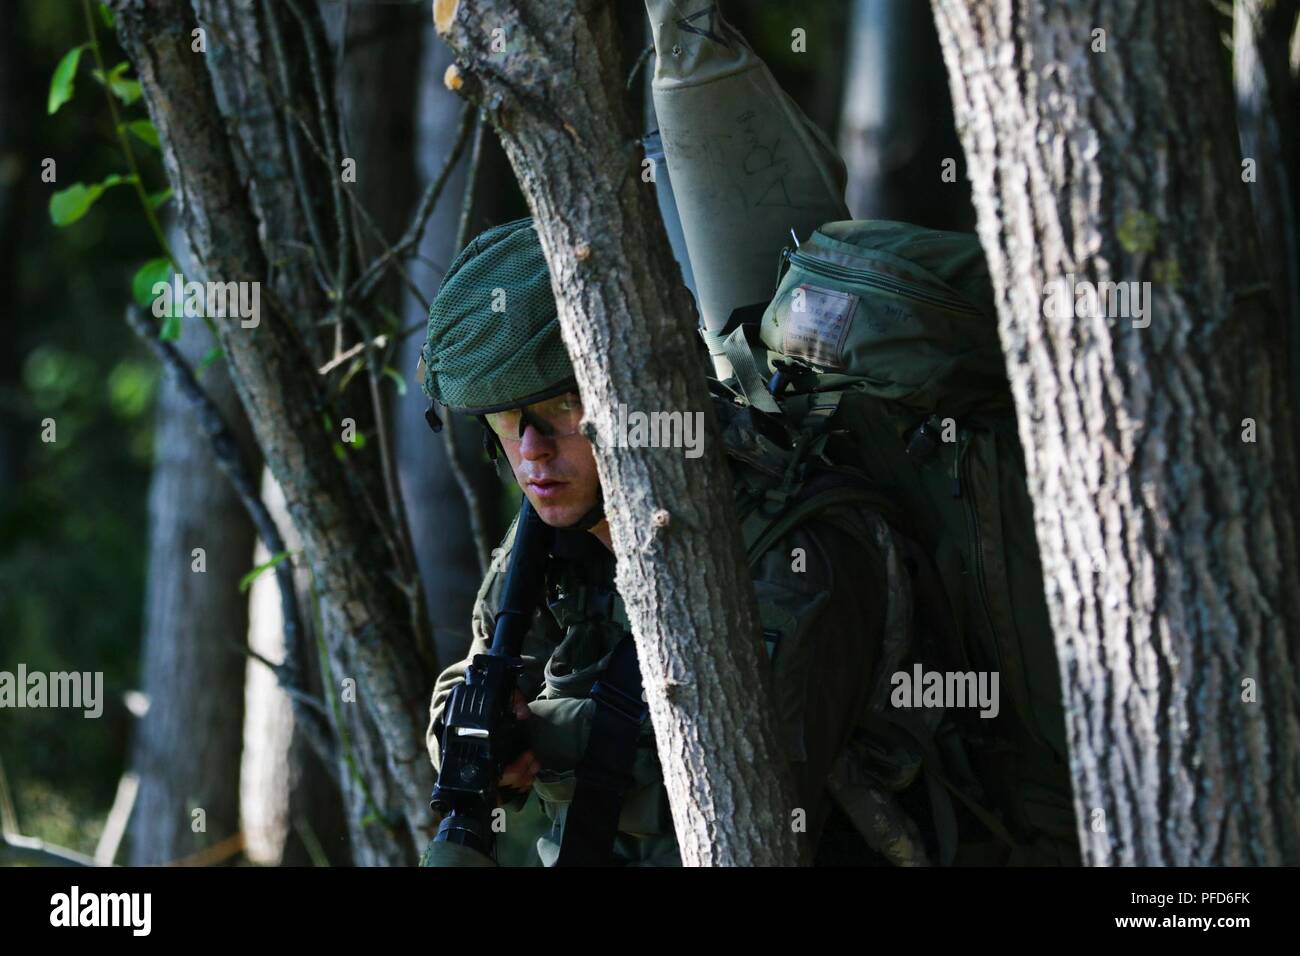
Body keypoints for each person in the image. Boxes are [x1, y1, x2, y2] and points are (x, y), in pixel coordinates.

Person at [419, 218, 912, 866]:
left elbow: (746, 796)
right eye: (507, 420)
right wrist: (467, 729)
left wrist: (542, 739)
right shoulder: (554, 529)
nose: (533, 451)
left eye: (565, 407)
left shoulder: (789, 555)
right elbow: (486, 668)